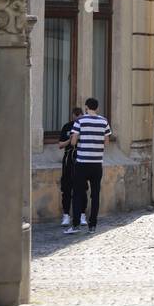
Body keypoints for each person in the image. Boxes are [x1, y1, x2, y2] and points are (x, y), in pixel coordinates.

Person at [64, 98, 111, 235]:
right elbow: (106, 143)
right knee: (95, 194)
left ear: (86, 107)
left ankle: (76, 224)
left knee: (78, 193)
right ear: (97, 108)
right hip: (97, 163)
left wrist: (77, 139)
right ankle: (92, 226)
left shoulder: (80, 121)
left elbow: (73, 142)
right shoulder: (104, 121)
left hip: (82, 162)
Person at [58, 106, 83, 227]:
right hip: (68, 159)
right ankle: (66, 215)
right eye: (76, 116)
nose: (77, 119)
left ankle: (82, 214)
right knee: (66, 188)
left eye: (80, 117)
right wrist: (70, 139)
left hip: (81, 159)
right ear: (73, 116)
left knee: (82, 188)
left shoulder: (85, 127)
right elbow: (60, 145)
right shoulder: (67, 127)